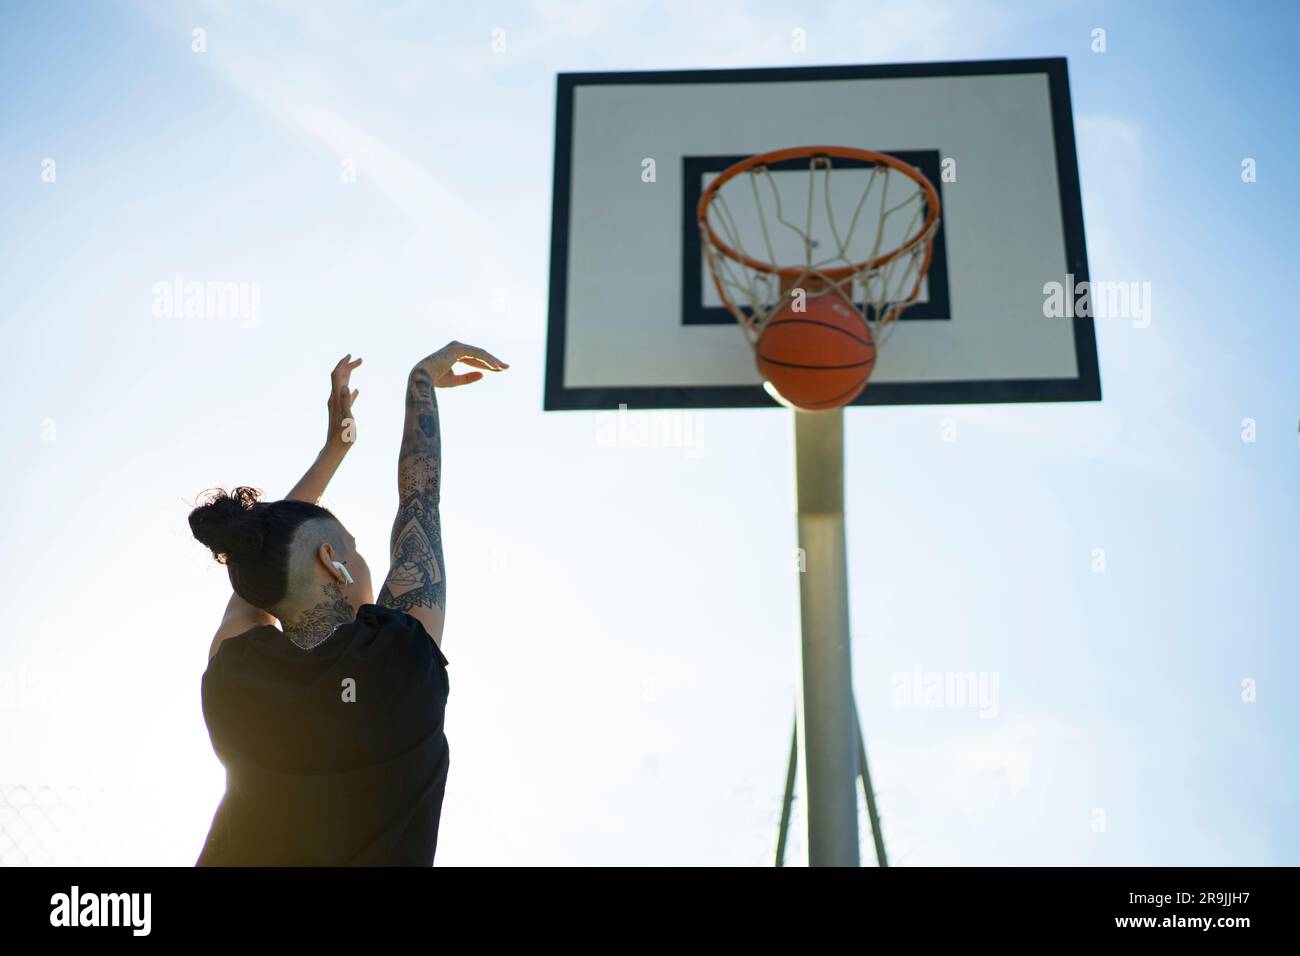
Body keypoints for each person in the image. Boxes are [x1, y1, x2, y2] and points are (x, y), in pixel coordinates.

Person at [187, 342, 508, 865]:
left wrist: (332, 452)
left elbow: (256, 572)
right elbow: (419, 496)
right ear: (332, 561)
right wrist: (420, 381)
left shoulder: (236, 675)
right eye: (354, 548)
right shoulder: (396, 662)